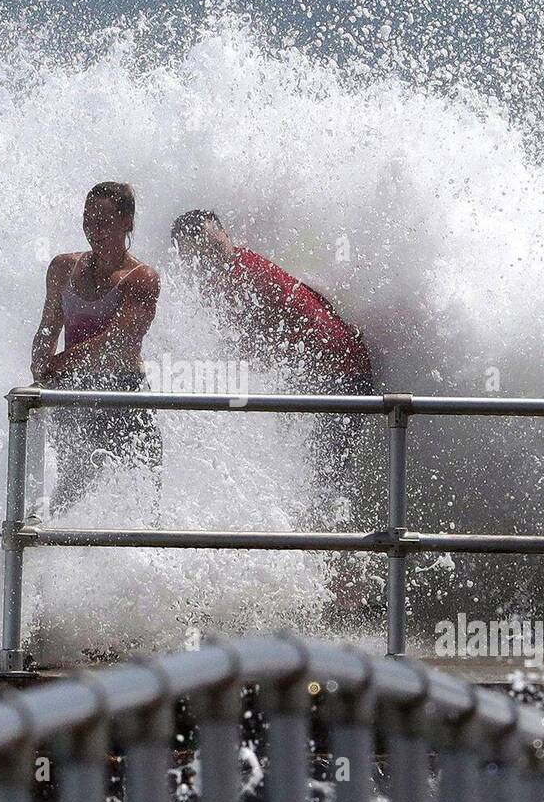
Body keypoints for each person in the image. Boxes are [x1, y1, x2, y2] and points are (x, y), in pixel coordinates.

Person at [171, 209, 380, 622]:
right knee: (321, 481)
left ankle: (349, 591)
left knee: (323, 483)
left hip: (340, 375)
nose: (211, 252)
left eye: (214, 241)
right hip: (334, 372)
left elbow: (247, 348)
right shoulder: (237, 268)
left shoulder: (236, 278)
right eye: (200, 248)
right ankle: (344, 586)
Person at [32, 182, 162, 510]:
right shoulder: (62, 268)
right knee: (70, 489)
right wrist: (40, 364)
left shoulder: (141, 277)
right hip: (73, 394)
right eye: (88, 221)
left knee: (138, 503)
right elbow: (48, 326)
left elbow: (115, 343)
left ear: (127, 223)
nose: (94, 230)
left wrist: (59, 363)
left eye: (103, 222)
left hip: (123, 398)